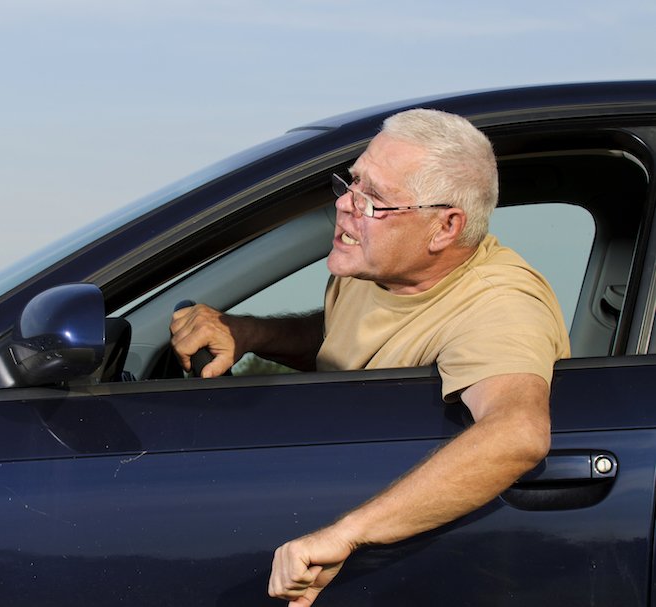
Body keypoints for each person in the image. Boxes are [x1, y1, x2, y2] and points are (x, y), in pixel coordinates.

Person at [169, 108, 571, 606]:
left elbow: (519, 433)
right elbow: (341, 334)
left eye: (374, 198)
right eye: (351, 183)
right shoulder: (380, 268)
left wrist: (347, 534)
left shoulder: (498, 305)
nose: (345, 206)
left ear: (445, 227)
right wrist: (248, 332)